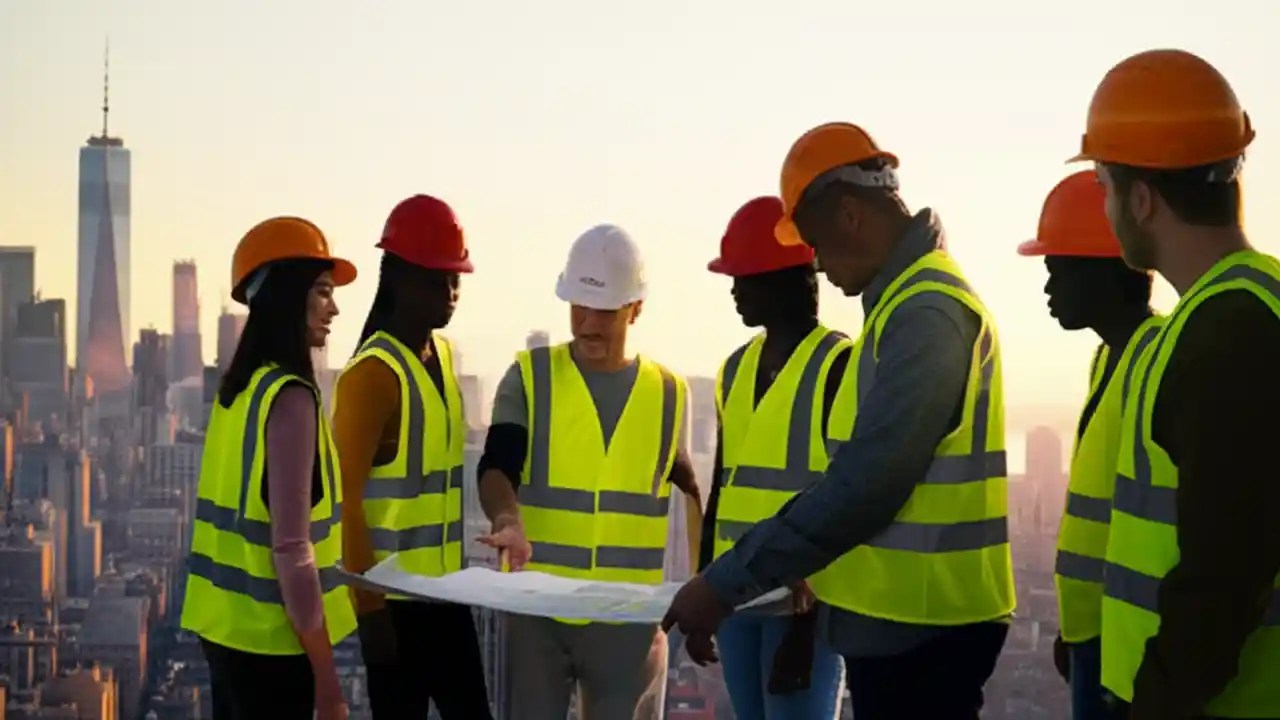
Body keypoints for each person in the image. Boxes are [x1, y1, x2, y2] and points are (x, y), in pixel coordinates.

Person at [663, 121, 1015, 720]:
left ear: (851, 215)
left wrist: (724, 585)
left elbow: (865, 484)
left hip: (925, 627)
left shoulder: (926, 314)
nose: (818, 265)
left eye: (816, 242)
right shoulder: (899, 309)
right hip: (900, 624)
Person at [1071, 49, 1280, 720]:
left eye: (1104, 187)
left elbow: (1221, 577)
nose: (1104, 210)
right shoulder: (1241, 307)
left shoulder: (1228, 333)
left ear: (1140, 198)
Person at [475, 223, 703, 720]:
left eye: (604, 310)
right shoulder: (531, 377)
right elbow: (498, 463)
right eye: (578, 306)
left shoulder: (669, 394)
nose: (587, 324)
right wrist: (507, 519)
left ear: (636, 309)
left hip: (627, 622)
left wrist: (702, 585)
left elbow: (692, 491)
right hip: (539, 609)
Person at [179, 216, 359, 720]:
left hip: (222, 634)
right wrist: (327, 679)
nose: (334, 307)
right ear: (287, 293)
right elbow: (292, 549)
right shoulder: (289, 399)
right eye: (322, 291)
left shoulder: (237, 394)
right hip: (274, 648)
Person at [332, 195, 493, 719]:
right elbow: (344, 502)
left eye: (456, 280)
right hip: (395, 608)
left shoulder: (442, 359)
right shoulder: (371, 376)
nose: (450, 293)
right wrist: (370, 610)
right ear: (399, 279)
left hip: (445, 600)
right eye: (436, 280)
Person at [1016, 171, 1164, 720]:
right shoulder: (1110, 358)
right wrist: (1076, 630)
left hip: (1137, 648)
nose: (1049, 290)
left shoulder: (1155, 361)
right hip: (1099, 638)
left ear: (1106, 270)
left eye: (1059, 271)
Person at [700, 195, 849, 719]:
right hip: (738, 595)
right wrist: (705, 585)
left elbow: (854, 490)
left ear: (787, 280)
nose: (736, 292)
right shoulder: (734, 371)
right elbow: (722, 484)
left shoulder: (840, 365)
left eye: (745, 277)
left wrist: (816, 599)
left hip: (805, 605)